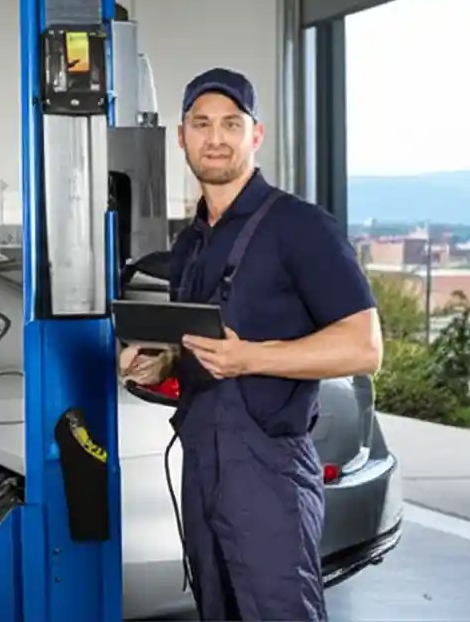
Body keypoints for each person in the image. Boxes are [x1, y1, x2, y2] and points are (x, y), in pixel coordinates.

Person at [118, 67, 382, 621]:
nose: (215, 137)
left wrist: (254, 359)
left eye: (230, 124)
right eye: (202, 124)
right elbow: (202, 344)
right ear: (183, 137)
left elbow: (364, 347)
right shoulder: (190, 242)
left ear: (254, 135)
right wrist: (163, 360)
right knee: (219, 610)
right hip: (202, 463)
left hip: (269, 471)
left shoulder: (301, 227)